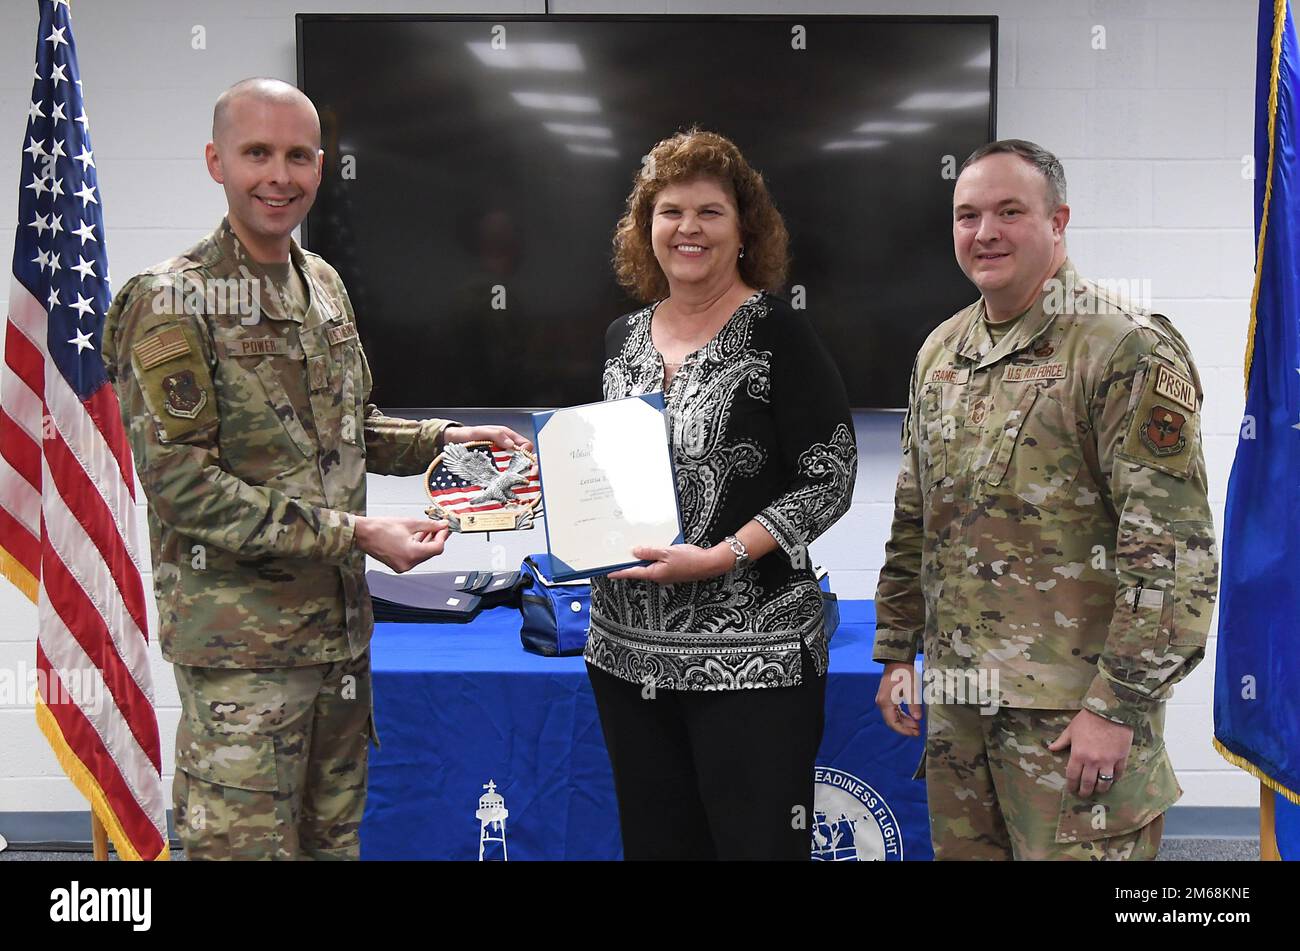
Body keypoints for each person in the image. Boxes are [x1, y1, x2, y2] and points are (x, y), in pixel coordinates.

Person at [101, 77, 531, 860]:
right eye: (256, 153)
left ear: (321, 167)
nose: (279, 175)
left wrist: (446, 442)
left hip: (337, 645)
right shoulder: (173, 300)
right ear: (215, 161)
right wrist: (358, 533)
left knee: (333, 848)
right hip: (244, 662)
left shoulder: (322, 284)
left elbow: (349, 432)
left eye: (297, 155)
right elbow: (183, 487)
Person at [873, 139, 1219, 860]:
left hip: (1069, 721)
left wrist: (1116, 706)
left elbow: (1172, 553)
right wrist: (896, 649)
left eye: (1009, 211)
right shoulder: (942, 352)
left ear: (1058, 221)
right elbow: (915, 517)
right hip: (962, 710)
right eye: (967, 215)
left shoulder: (1123, 347)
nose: (985, 232)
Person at [586, 129, 857, 860]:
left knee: (756, 847)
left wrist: (726, 555)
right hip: (627, 656)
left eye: (710, 211)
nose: (688, 228)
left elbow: (830, 479)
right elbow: (605, 471)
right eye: (670, 211)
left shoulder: (779, 332)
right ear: (647, 229)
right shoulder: (621, 337)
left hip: (757, 660)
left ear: (744, 231)